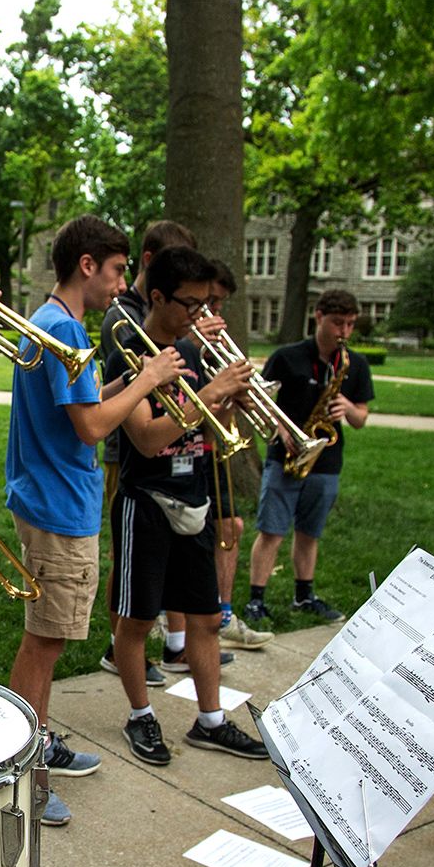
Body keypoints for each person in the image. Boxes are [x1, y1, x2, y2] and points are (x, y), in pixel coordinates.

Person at [4, 214, 171, 827]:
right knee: (45, 641)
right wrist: (149, 379)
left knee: (45, 635)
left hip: (51, 498)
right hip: (57, 507)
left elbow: (82, 404)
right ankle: (25, 770)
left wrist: (130, 379)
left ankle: (37, 742)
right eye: (119, 270)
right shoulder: (63, 332)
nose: (121, 283)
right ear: (87, 265)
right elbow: (92, 426)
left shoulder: (56, 326)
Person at [107, 246, 268, 766]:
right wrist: (211, 395)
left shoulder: (200, 350)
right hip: (146, 501)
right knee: (135, 622)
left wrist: (229, 401)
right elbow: (149, 437)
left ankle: (211, 721)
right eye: (191, 303)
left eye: (206, 303)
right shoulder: (130, 350)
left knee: (205, 619)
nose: (200, 313)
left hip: (193, 498)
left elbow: (214, 433)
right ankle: (140, 716)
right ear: (157, 296)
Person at [156, 258, 273, 671]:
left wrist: (229, 398)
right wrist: (200, 357)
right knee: (178, 549)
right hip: (168, 468)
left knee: (228, 529)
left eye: (216, 304)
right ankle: (173, 636)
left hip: (201, 455)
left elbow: (208, 424)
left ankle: (211, 622)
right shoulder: (172, 343)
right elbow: (156, 426)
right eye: (203, 304)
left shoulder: (196, 344)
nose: (211, 314)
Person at [94, 219, 198, 684]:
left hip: (175, 464)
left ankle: (163, 641)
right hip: (128, 447)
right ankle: (122, 647)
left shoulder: (155, 315)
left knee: (148, 560)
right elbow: (125, 402)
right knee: (127, 553)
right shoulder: (124, 317)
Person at [244, 289, 374, 625]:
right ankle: (256, 599)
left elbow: (361, 419)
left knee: (309, 532)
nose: (343, 332)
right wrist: (281, 430)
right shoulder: (288, 356)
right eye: (337, 323)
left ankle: (304, 595)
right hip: (286, 454)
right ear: (318, 317)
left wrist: (348, 409)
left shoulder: (354, 364)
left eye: (349, 325)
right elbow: (261, 401)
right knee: (272, 529)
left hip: (326, 460)